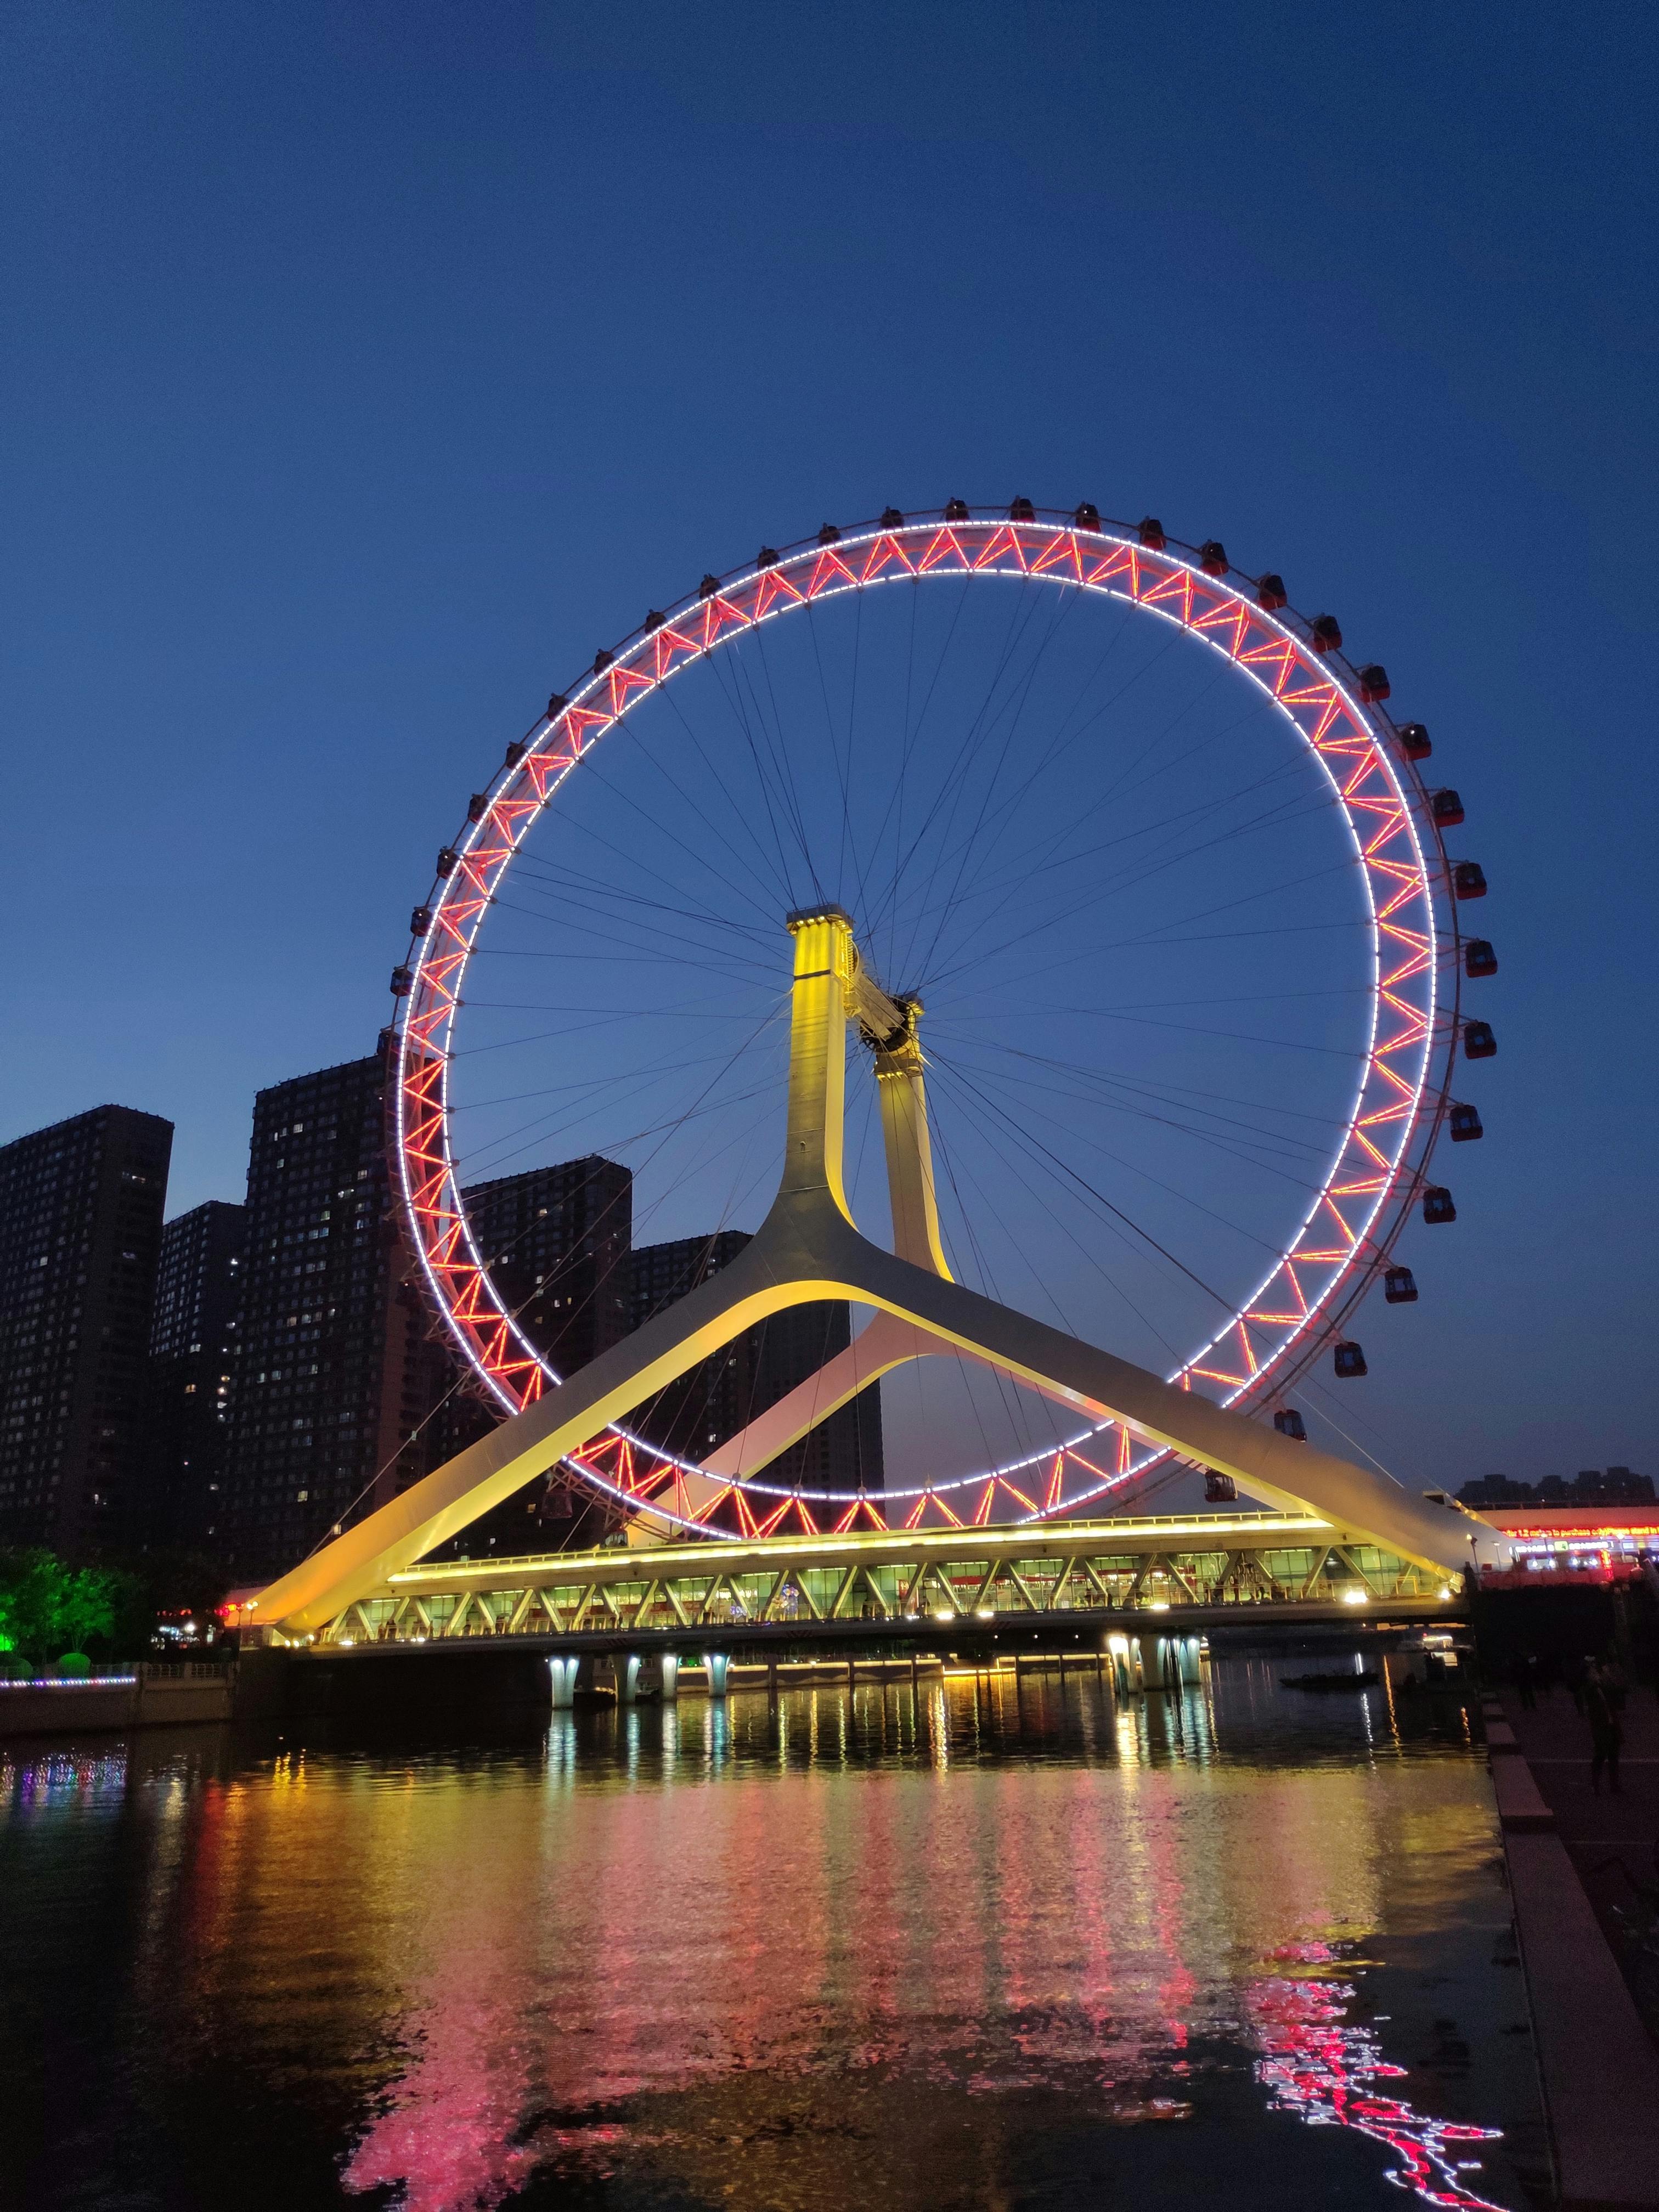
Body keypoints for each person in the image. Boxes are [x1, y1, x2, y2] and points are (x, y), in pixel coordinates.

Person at [1584, 1664, 1623, 1795]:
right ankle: (1595, 1784)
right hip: (1601, 1728)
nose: (1596, 1674)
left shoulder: (1603, 1687)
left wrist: (1609, 1679)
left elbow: (1618, 1695)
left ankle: (1614, 1785)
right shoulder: (1591, 1689)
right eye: (1593, 1672)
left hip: (1612, 1726)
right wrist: (1599, 1680)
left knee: (1614, 1757)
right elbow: (1589, 1691)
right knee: (1600, 1756)